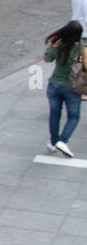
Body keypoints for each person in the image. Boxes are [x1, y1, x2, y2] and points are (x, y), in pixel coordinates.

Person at [43, 20, 83, 157]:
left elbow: (47, 58)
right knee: (74, 116)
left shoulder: (60, 45)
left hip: (53, 85)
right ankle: (63, 140)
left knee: (55, 114)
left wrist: (52, 44)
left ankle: (54, 142)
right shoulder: (82, 48)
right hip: (72, 87)